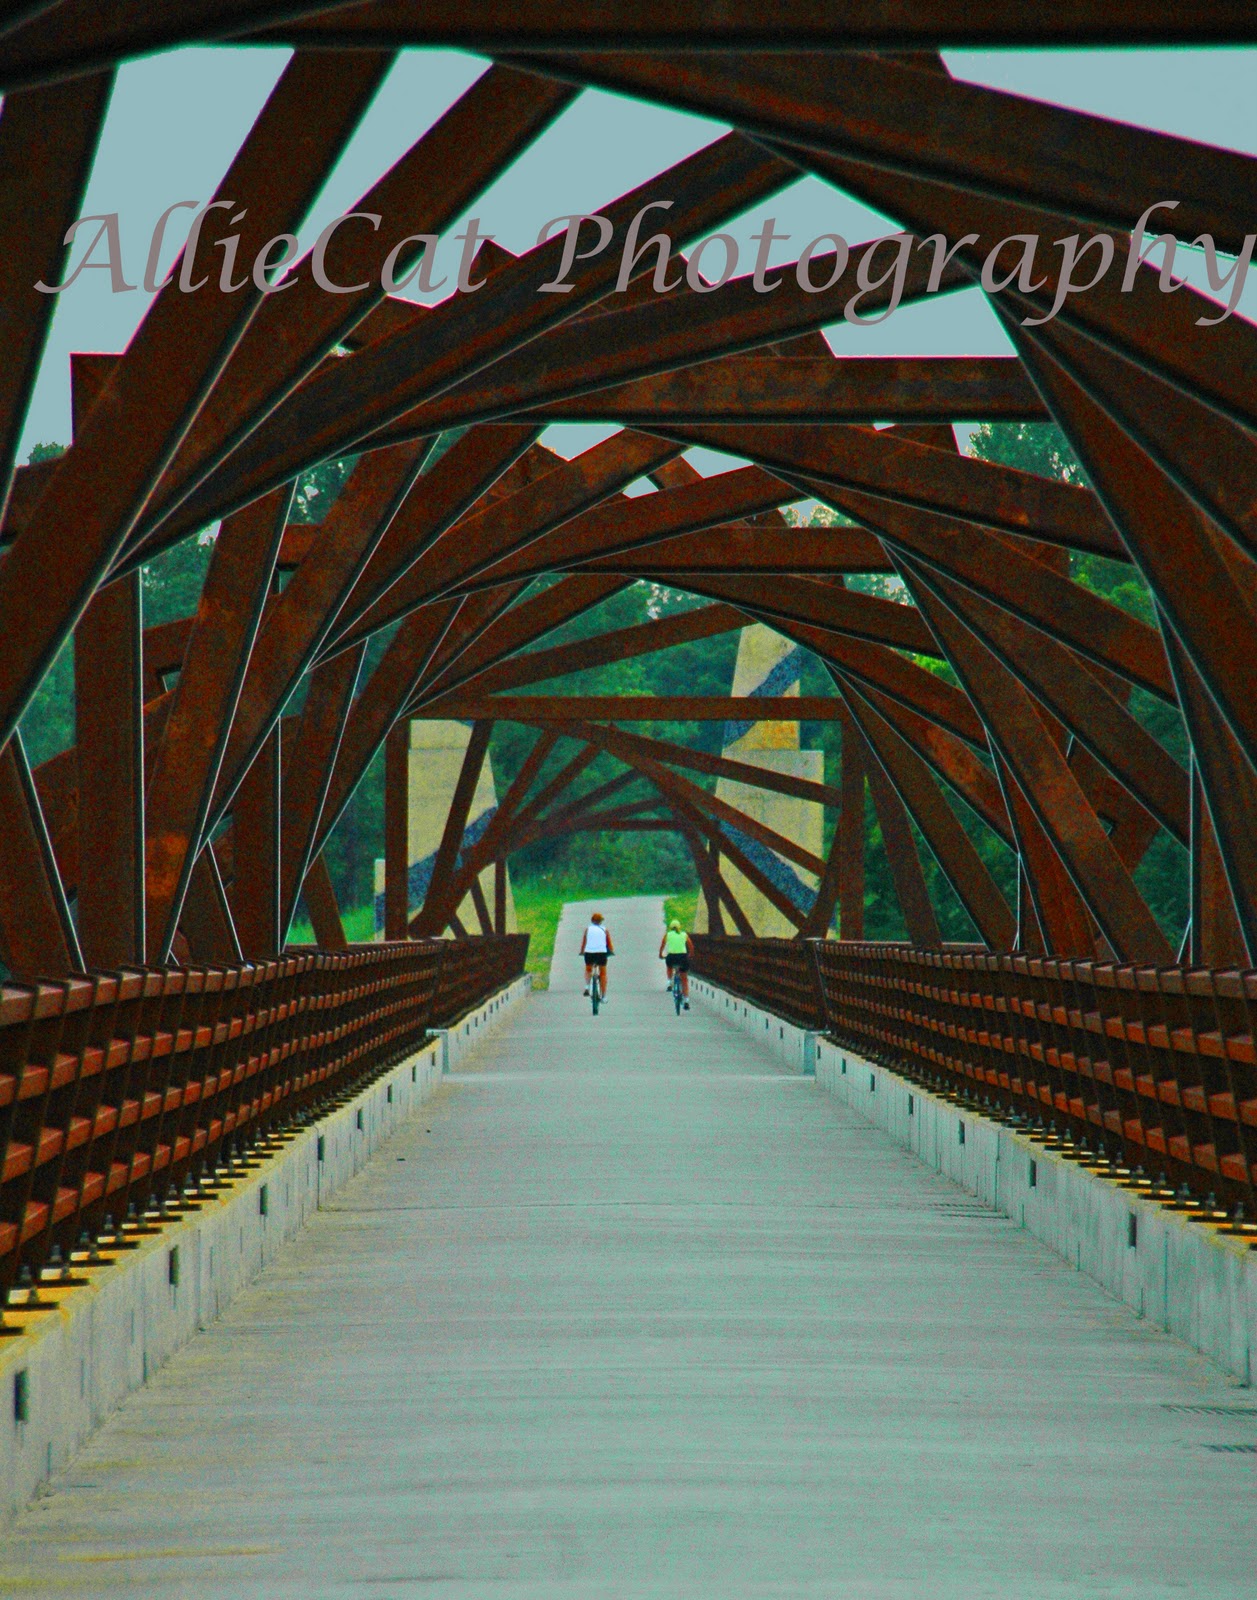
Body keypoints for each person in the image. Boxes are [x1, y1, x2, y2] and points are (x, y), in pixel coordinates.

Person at [658, 918, 694, 1009]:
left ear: (670, 927)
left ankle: (669, 983)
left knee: (669, 966)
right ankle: (686, 1001)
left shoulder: (668, 934)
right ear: (679, 927)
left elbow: (662, 945)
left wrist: (660, 954)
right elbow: (691, 946)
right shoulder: (684, 934)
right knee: (684, 980)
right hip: (683, 958)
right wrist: (690, 955)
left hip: (672, 957)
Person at [580, 912, 613, 1001]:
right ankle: (604, 996)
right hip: (601, 953)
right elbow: (609, 943)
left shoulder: (587, 929)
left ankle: (587, 987)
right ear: (601, 921)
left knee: (588, 969)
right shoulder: (604, 930)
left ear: (592, 920)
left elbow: (584, 942)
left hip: (589, 952)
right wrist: (611, 951)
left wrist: (582, 952)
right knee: (603, 973)